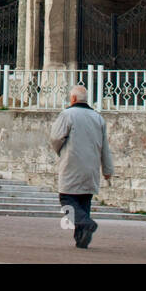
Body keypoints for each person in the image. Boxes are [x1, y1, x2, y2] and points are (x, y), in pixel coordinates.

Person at [49, 84, 114, 249]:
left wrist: (60, 151)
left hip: (72, 164)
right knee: (84, 202)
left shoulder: (67, 114)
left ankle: (86, 223)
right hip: (91, 168)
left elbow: (56, 138)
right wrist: (107, 170)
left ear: (72, 99)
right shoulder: (98, 118)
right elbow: (105, 147)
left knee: (67, 199)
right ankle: (81, 238)